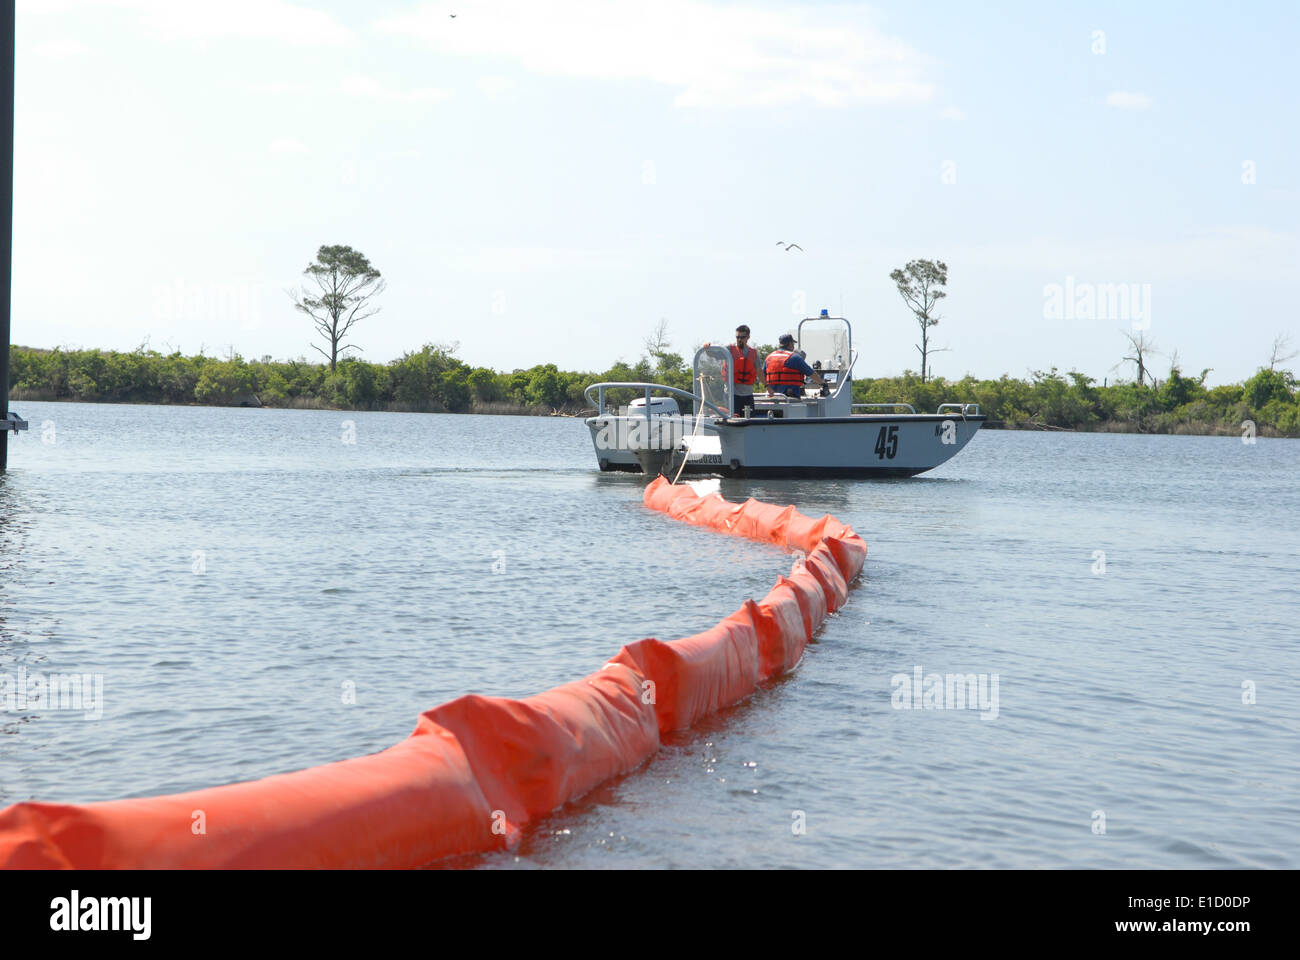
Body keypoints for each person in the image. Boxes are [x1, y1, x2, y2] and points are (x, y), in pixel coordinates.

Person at [764, 333, 826, 397]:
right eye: (793, 344)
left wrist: (767, 387)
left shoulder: (769, 357)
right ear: (790, 344)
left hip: (772, 396)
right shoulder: (794, 357)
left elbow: (762, 375)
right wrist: (822, 384)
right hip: (789, 397)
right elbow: (811, 373)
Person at [725, 324, 758, 416]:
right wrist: (708, 348)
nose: (739, 339)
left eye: (742, 337)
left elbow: (759, 370)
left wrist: (767, 386)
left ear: (748, 337)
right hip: (732, 394)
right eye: (737, 337)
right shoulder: (728, 349)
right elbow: (714, 354)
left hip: (748, 395)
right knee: (734, 417)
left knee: (750, 419)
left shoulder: (753, 352)